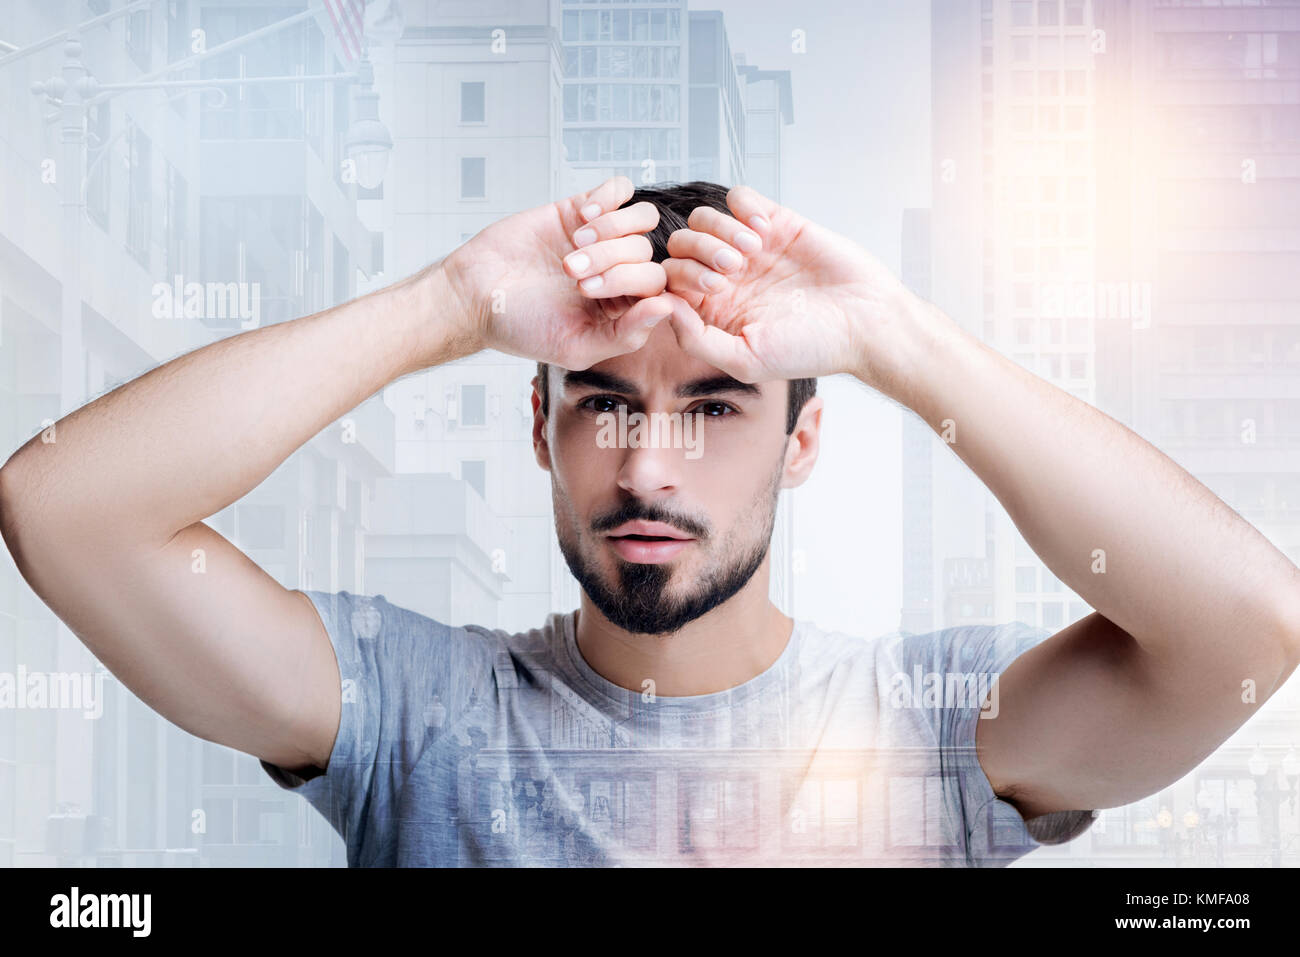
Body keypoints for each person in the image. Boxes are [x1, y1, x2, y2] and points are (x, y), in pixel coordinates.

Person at [1, 177, 1296, 867]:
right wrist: (447, 303)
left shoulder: (920, 729)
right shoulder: (423, 711)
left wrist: (898, 339)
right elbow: (61, 507)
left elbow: (1247, 627)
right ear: (539, 430)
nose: (647, 467)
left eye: (719, 408)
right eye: (606, 404)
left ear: (803, 442)